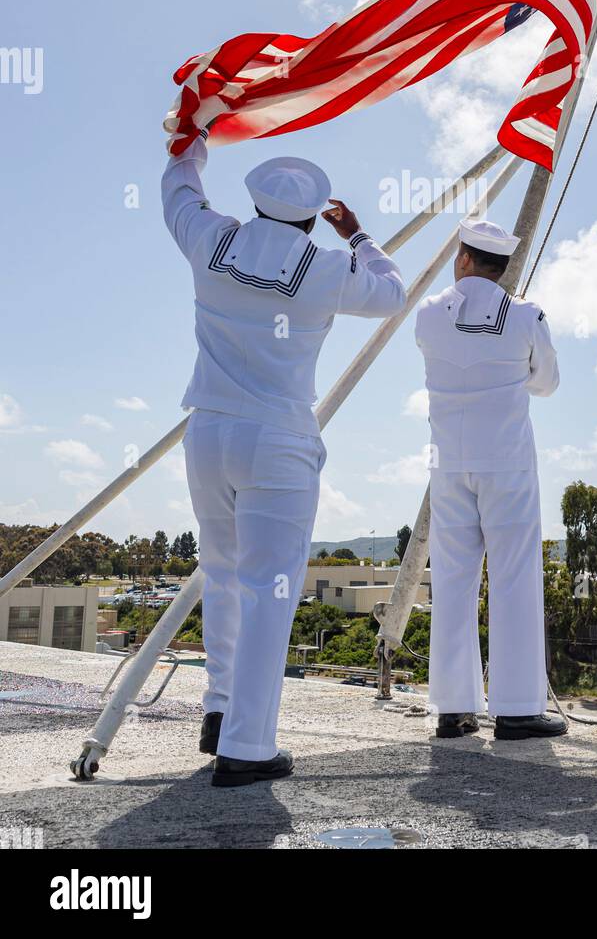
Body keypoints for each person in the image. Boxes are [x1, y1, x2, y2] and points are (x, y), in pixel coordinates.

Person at [162, 129, 405, 786]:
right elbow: (392, 294)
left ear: (257, 201)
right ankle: (246, 746)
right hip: (277, 440)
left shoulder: (211, 239)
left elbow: (178, 190)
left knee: (222, 574)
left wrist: (191, 139)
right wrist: (358, 236)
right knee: (271, 590)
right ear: (313, 216)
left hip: (208, 431)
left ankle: (220, 712)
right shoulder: (327, 268)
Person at [414, 217, 565, 741]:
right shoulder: (526, 315)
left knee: (452, 580)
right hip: (506, 463)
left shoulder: (427, 315)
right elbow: (547, 383)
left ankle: (453, 708)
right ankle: (517, 709)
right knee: (514, 578)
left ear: (463, 258)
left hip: (448, 464)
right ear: (502, 267)